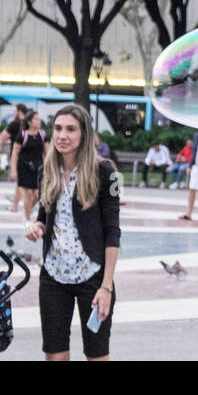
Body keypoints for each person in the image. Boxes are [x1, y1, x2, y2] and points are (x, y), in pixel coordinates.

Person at [24, 105, 120, 361]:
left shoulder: (105, 172)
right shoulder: (47, 171)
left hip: (93, 277)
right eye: (57, 128)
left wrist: (106, 287)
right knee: (55, 356)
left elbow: (112, 233)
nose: (62, 135)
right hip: (54, 277)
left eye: (70, 129)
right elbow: (45, 218)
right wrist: (37, 227)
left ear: (84, 135)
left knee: (97, 356)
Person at [10, 109, 48, 222]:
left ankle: (27, 210)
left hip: (38, 168)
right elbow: (15, 153)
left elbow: (47, 152)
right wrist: (13, 170)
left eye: (39, 119)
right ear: (29, 122)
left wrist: (49, 167)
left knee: (37, 194)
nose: (38, 121)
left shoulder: (42, 134)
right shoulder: (23, 135)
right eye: (36, 119)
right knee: (27, 194)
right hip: (24, 167)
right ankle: (27, 219)